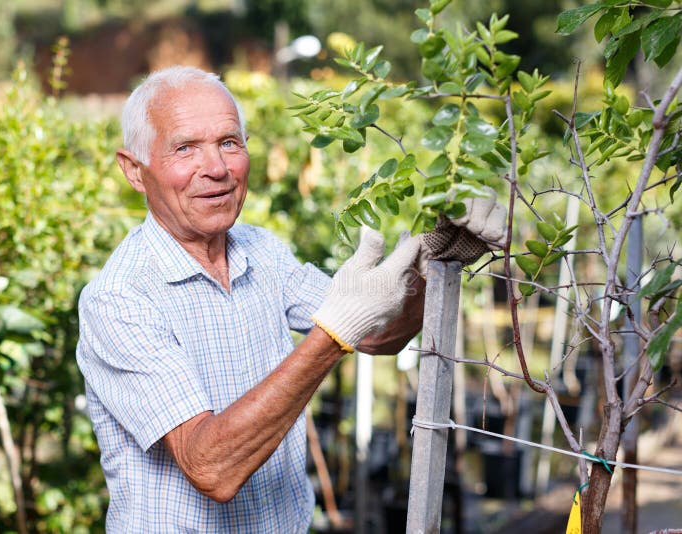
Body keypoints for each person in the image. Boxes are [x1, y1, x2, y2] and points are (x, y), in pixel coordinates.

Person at [76, 65, 506, 533]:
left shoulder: (262, 251)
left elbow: (380, 333)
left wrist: (436, 265)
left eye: (229, 142)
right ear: (134, 171)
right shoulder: (119, 299)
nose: (217, 168)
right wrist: (333, 334)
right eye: (185, 148)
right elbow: (211, 467)